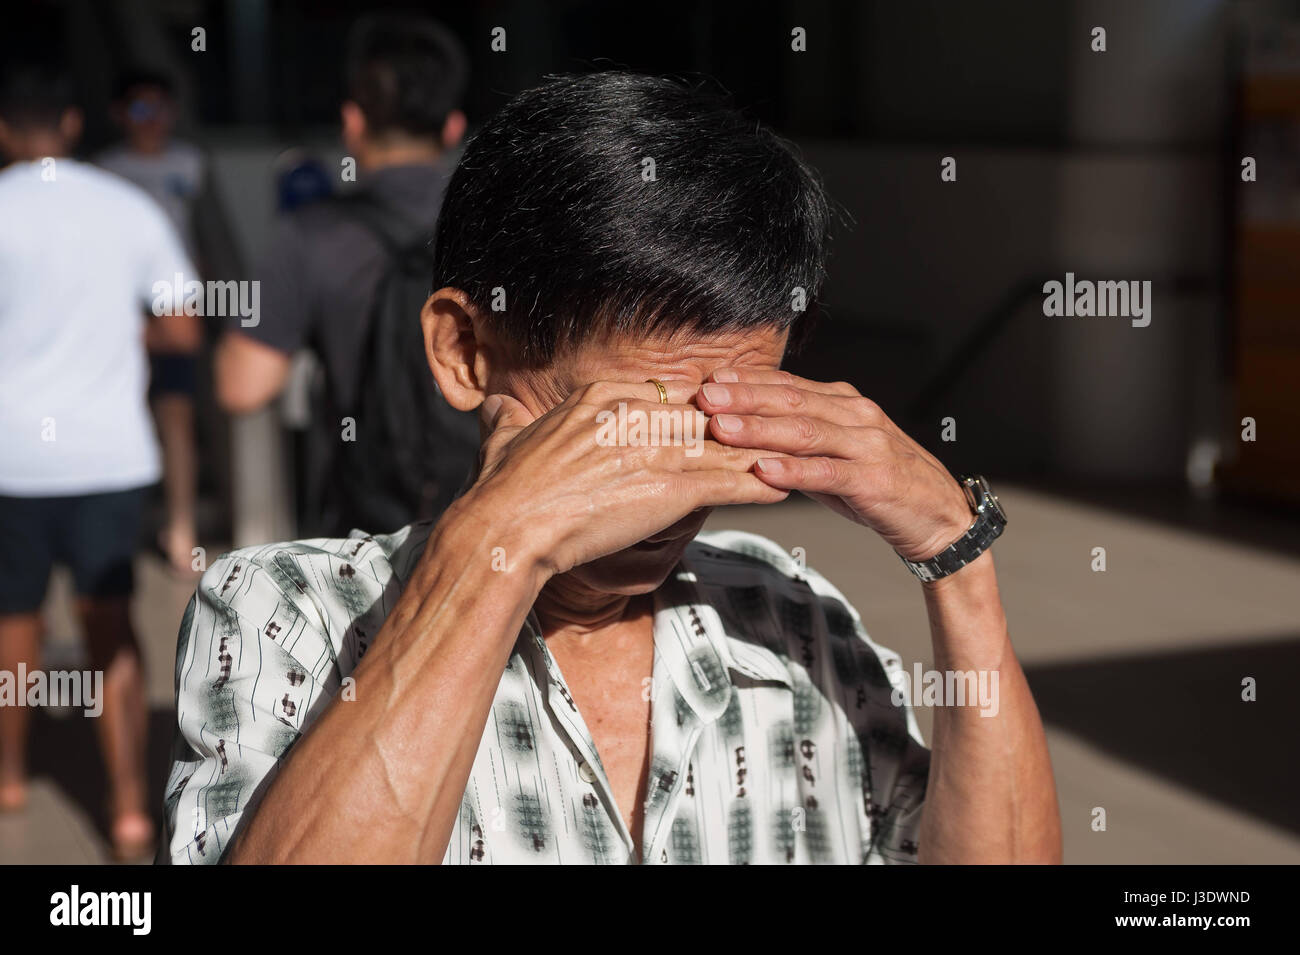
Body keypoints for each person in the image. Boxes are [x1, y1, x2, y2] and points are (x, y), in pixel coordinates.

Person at [162, 72, 1060, 865]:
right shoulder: (292, 617)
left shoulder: (790, 617)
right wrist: (495, 545)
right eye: (635, 422)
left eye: (728, 420)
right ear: (467, 351)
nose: (677, 489)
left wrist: (956, 550)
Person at [0, 66, 200, 860]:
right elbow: (183, 330)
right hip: (109, 456)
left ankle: (10, 775)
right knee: (110, 628)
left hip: (11, 458)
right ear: (74, 124)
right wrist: (122, 332)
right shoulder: (127, 207)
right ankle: (126, 808)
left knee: (13, 625)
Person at [214, 14, 472, 537]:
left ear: (353, 120)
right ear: (453, 126)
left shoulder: (311, 235)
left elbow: (241, 386)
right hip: (492, 514)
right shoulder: (502, 225)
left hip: (369, 533)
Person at [97, 69, 206, 576]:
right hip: (112, 311)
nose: (152, 120)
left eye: (160, 108)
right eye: (140, 109)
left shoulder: (191, 163)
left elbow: (204, 238)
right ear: (120, 115)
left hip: (172, 307)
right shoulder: (103, 170)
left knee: (176, 418)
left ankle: (180, 530)